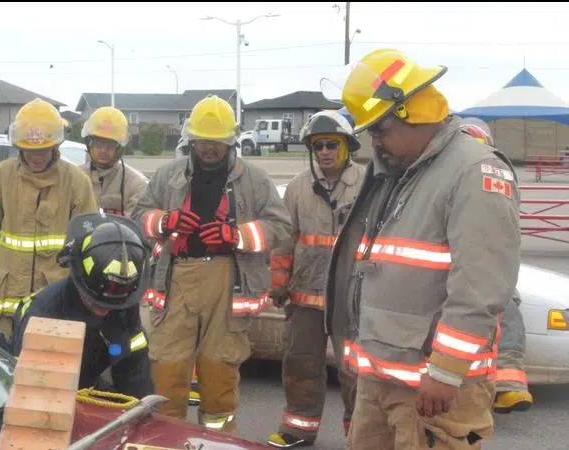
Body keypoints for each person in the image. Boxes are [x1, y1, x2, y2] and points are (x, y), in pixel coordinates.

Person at [325, 48, 520, 449]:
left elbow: (480, 287)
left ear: (409, 113)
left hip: (434, 388)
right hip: (379, 378)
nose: (374, 143)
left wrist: (447, 371)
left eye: (380, 130)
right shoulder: (395, 168)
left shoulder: (473, 171)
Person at [133, 94, 292, 433]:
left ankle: (216, 442)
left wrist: (235, 235)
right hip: (176, 279)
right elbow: (138, 217)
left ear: (230, 141)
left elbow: (282, 228)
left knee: (219, 374)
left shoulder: (254, 180)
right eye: (204, 140)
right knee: (167, 372)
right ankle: (166, 440)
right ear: (192, 140)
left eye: (217, 141)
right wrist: (165, 221)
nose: (210, 148)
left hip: (227, 282)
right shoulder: (168, 175)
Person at [267, 110, 365, 448]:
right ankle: (299, 429)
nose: (324, 152)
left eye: (331, 145)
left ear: (347, 147)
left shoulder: (367, 185)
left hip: (351, 300)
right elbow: (283, 239)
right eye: (318, 146)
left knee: (356, 373)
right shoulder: (297, 188)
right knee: (300, 365)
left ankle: (361, 437)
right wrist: (279, 282)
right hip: (305, 298)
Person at [0, 98, 98, 338]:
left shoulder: (76, 182)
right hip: (6, 299)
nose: (37, 156)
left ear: (56, 145)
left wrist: (85, 292)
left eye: (44, 149)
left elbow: (88, 241)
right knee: (3, 366)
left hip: (56, 300)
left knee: (50, 367)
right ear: (19, 146)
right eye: (30, 150)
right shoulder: (0, 176)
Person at [9, 212, 154, 398]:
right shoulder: (42, 315)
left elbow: (135, 375)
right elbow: (28, 396)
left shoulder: (124, 304)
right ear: (81, 280)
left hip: (88, 387)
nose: (104, 309)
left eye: (113, 305)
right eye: (95, 301)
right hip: (47, 396)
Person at [458, 119, 534, 414]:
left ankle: (508, 383)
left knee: (507, 308)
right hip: (454, 268)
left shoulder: (495, 178)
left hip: (484, 265)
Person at [79, 106, 147, 217]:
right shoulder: (75, 178)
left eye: (110, 145)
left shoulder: (136, 184)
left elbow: (134, 226)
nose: (103, 150)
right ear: (89, 144)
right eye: (98, 143)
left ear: (119, 148)